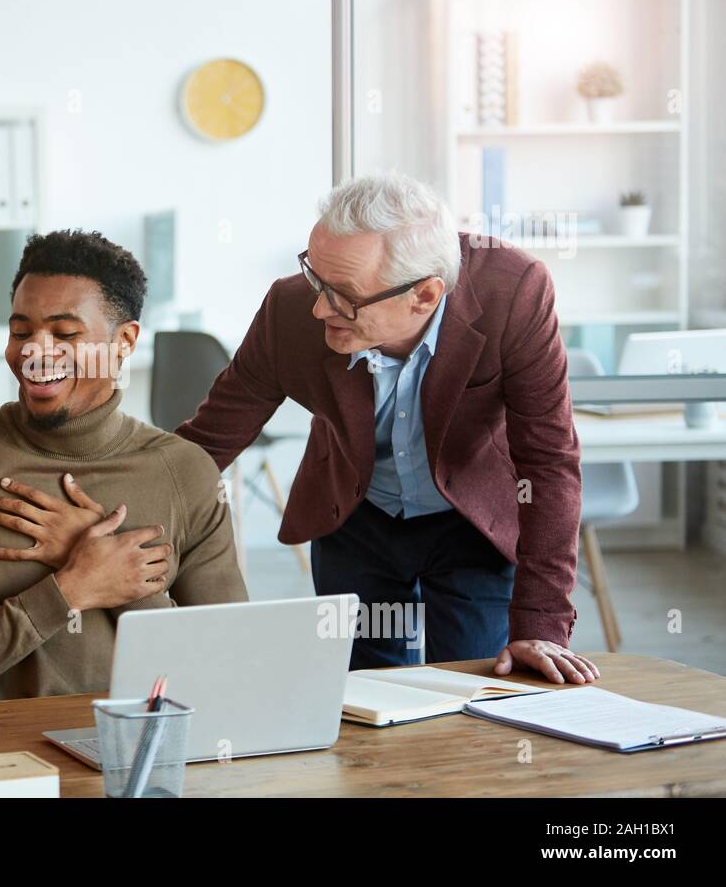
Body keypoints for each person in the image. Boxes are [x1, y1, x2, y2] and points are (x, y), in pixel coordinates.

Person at [172, 171, 598, 685]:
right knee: (366, 697)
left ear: (424, 295)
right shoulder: (290, 310)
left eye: (344, 295)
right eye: (315, 278)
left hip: (473, 520)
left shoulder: (514, 292)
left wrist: (542, 622)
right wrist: (120, 511)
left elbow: (547, 461)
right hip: (357, 517)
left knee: (475, 691)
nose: (318, 307)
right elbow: (208, 440)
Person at [0, 229, 247, 701]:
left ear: (124, 341)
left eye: (66, 334)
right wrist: (68, 589)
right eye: (20, 331)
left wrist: (124, 579)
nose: (33, 352)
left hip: (135, 758)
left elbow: (228, 669)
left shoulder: (184, 471)